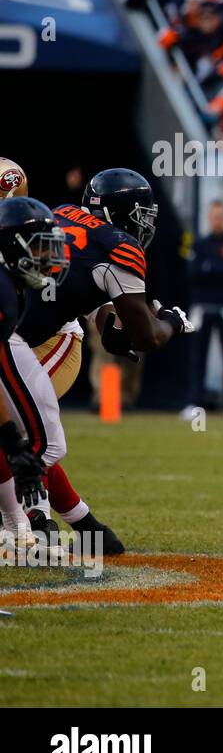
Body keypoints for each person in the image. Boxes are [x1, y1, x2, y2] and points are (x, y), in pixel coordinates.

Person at [16, 169, 193, 553]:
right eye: (141, 212)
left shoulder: (63, 212)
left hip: (40, 336)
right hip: (32, 336)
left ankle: (39, 527)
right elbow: (147, 336)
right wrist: (173, 322)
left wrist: (105, 320)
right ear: (121, 212)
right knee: (30, 441)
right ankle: (62, 527)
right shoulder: (120, 246)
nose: (146, 222)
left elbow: (72, 280)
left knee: (29, 439)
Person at [0, 197, 68, 554]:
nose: (49, 258)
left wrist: (9, 436)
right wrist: (11, 438)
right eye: (42, 247)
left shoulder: (11, 288)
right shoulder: (3, 292)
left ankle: (16, 523)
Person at [183, 200, 223, 422]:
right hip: (202, 307)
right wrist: (216, 268)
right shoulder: (199, 243)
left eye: (221, 216)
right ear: (209, 218)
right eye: (214, 216)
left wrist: (209, 267)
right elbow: (192, 272)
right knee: (198, 356)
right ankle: (194, 402)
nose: (217, 220)